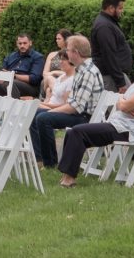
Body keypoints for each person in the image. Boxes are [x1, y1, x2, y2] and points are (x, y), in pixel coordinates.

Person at [56, 45, 134, 187]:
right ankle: (67, 175)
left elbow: (124, 105)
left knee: (77, 132)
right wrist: (123, 102)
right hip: (120, 125)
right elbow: (120, 102)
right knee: (74, 132)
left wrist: (124, 103)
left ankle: (69, 179)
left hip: (128, 130)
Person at [30, 34, 104, 170]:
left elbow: (76, 107)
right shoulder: (81, 70)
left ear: (76, 52)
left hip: (85, 117)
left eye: (68, 50)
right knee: (35, 113)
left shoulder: (88, 72)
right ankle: (40, 159)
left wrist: (51, 110)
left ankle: (50, 163)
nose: (67, 52)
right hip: (78, 113)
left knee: (43, 118)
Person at [91, 0, 134, 92]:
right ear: (111, 8)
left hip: (114, 76)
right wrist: (120, 82)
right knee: (116, 106)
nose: (121, 11)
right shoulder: (104, 26)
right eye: (120, 8)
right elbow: (109, 54)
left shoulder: (107, 22)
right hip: (111, 78)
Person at [0, 32, 45, 97]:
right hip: (9, 81)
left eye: (25, 43)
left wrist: (13, 76)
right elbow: (2, 70)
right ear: (17, 44)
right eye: (20, 43)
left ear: (30, 43)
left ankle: (14, 105)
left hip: (30, 87)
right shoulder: (11, 56)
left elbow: (34, 79)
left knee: (8, 83)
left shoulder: (37, 57)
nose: (22, 46)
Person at [42, 28, 75, 97]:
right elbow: (45, 73)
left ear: (66, 40)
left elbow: (73, 73)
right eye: (56, 39)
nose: (57, 41)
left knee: (49, 90)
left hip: (66, 79)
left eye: (59, 39)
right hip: (48, 80)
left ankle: (49, 102)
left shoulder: (72, 55)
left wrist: (55, 72)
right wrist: (50, 76)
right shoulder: (52, 55)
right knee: (47, 81)